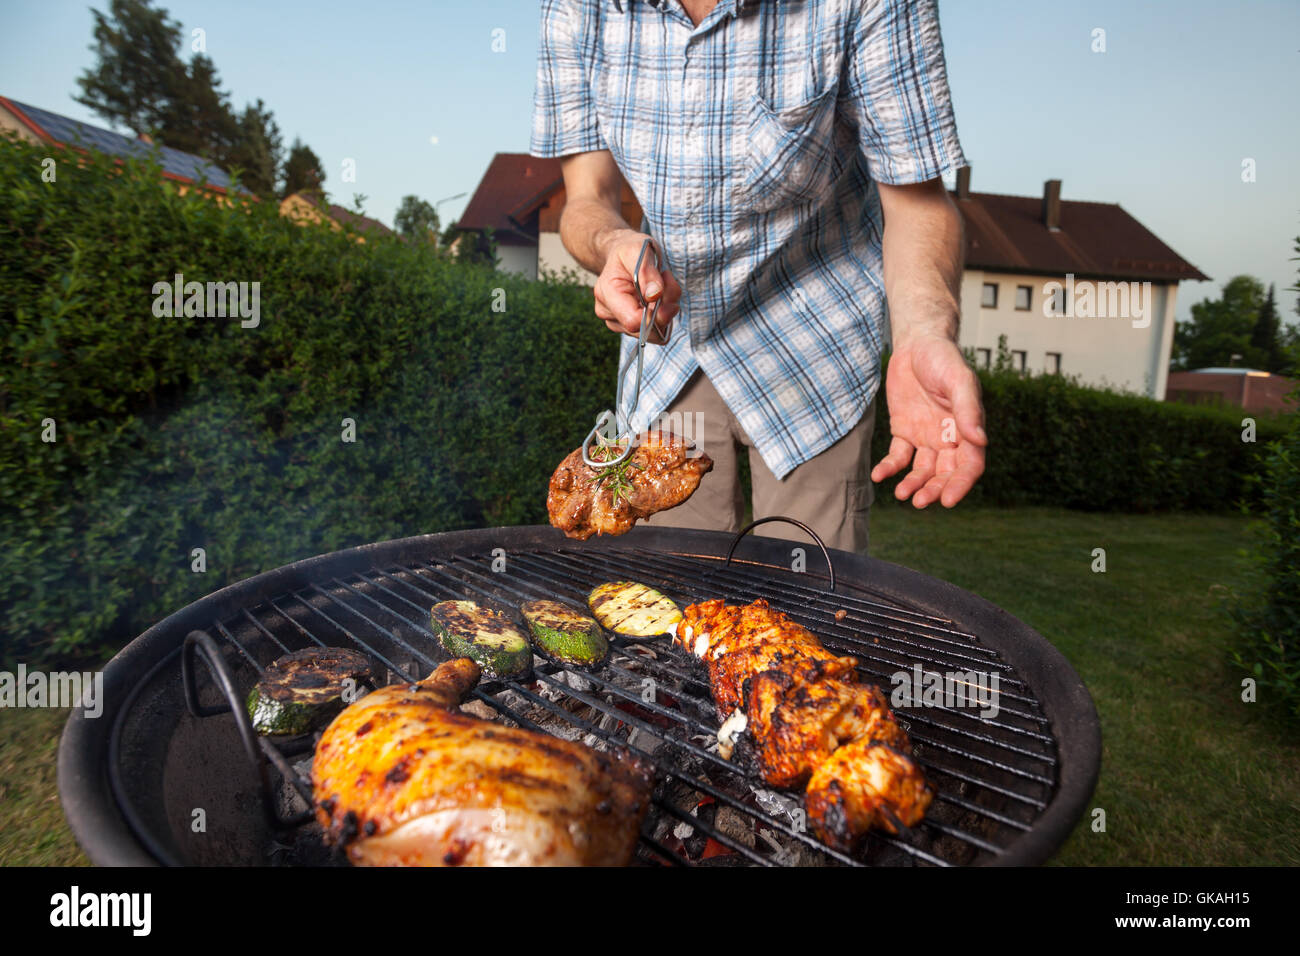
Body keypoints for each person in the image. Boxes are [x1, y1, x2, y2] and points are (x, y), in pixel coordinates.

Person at [530, 0, 986, 553]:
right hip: (671, 352)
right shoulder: (577, 9)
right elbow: (585, 199)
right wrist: (613, 243)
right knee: (671, 600)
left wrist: (922, 335)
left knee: (809, 610)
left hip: (816, 348)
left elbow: (917, 203)